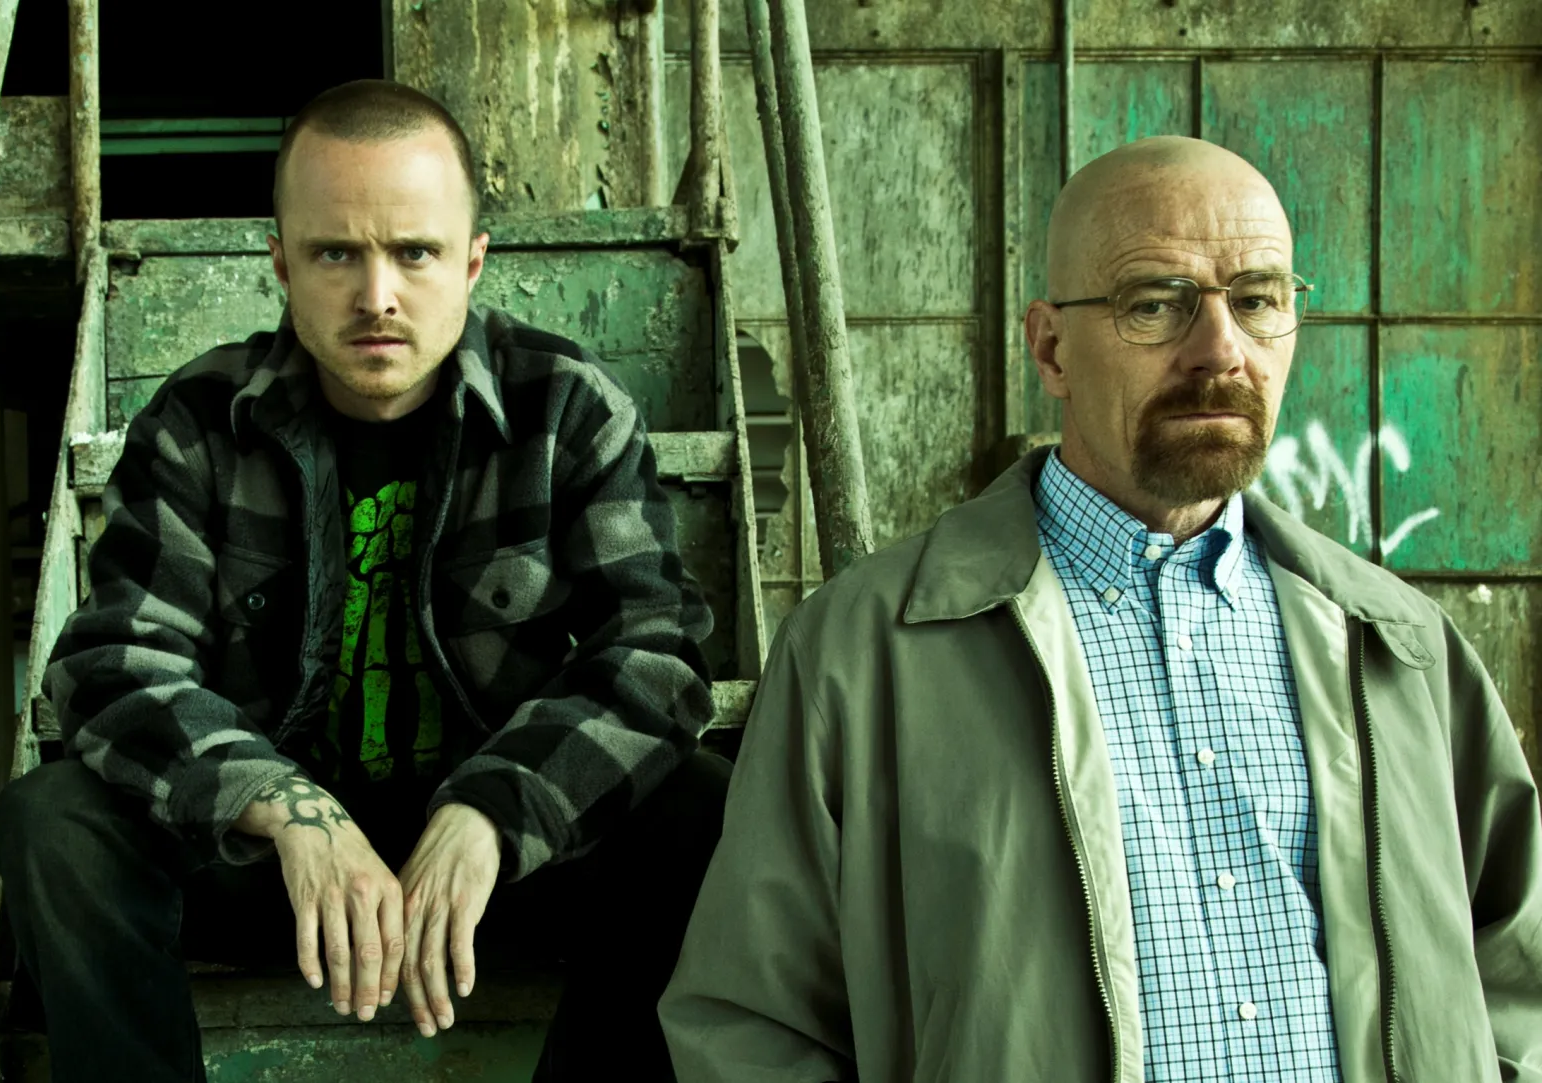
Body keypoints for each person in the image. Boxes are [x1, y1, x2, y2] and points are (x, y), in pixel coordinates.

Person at [659, 135, 1542, 1082]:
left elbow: (1516, 975)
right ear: (1051, 348)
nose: (1221, 350)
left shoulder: (1396, 643)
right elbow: (750, 1024)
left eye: (1256, 300)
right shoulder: (861, 653)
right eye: (1155, 304)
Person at [0, 79, 729, 1083]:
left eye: (414, 252)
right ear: (281, 265)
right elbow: (113, 664)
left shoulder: (567, 410)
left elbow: (655, 656)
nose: (376, 295)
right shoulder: (202, 421)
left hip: (486, 865)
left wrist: (495, 809)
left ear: (472, 262)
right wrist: (281, 804)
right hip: (270, 864)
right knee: (56, 820)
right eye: (335, 253)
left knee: (702, 806)